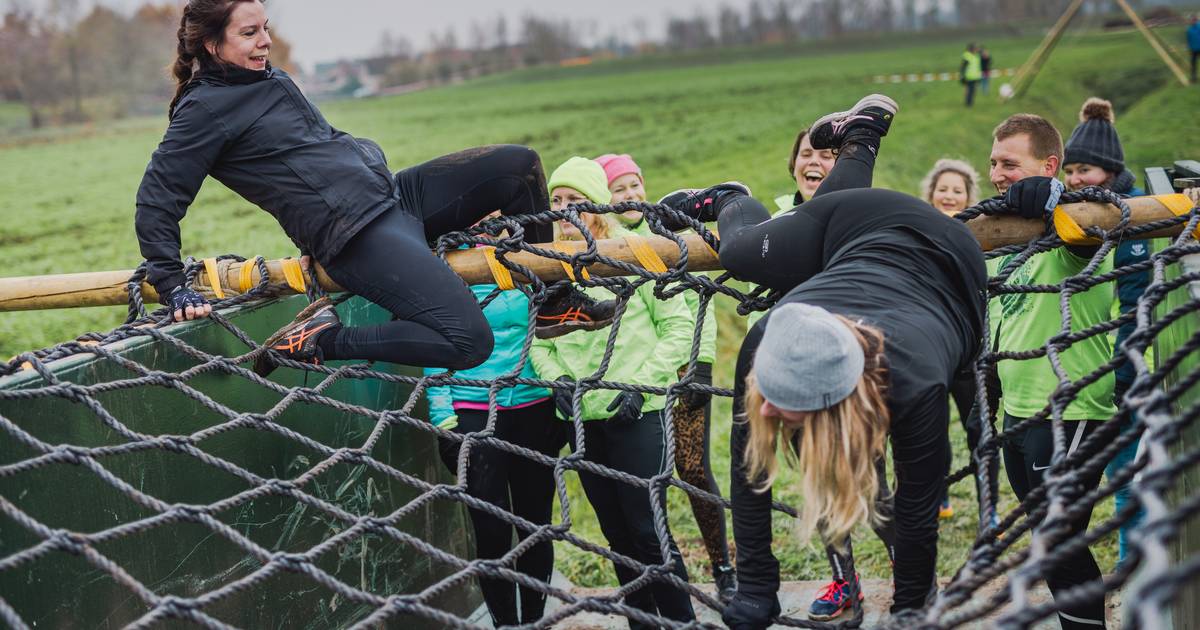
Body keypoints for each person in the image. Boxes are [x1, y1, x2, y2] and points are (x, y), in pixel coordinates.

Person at [134, 0, 614, 378]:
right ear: (213, 45)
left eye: (266, 27)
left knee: (520, 167)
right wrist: (171, 283)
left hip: (394, 198)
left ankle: (551, 302)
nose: (266, 42)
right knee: (470, 342)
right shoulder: (203, 110)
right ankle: (317, 342)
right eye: (249, 33)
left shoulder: (264, 77)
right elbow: (158, 197)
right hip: (356, 235)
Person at [668, 94, 988, 630]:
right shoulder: (775, 337)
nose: (762, 410)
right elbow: (750, 475)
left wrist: (910, 612)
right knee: (740, 254)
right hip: (845, 228)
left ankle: (857, 141)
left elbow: (918, 513)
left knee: (903, 499)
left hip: (946, 255)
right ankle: (736, 196)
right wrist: (756, 592)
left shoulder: (916, 384)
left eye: (778, 401)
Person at [530, 157, 697, 628]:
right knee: (615, 534)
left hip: (637, 410)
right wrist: (555, 379)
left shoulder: (632, 252)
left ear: (597, 204)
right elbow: (536, 338)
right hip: (584, 419)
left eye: (575, 201)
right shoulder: (545, 265)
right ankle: (641, 622)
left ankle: (682, 620)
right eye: (556, 201)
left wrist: (642, 387)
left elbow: (679, 324)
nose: (564, 210)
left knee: (647, 530)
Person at [988, 112, 1114, 629]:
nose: (997, 173)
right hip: (1019, 414)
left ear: (1050, 164)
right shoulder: (1003, 235)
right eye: (993, 162)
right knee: (1051, 546)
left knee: (1060, 548)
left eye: (1010, 164)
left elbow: (1085, 232)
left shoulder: (1079, 220)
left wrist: (1053, 194)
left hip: (1070, 409)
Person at [594, 152, 737, 602]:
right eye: (619, 189)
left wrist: (695, 361)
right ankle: (668, 571)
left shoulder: (668, 228)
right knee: (645, 482)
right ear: (604, 198)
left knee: (692, 468)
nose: (631, 195)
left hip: (687, 363)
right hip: (635, 372)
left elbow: (697, 301)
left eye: (635, 185)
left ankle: (724, 567)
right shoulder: (601, 242)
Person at [424, 212, 567, 626]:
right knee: (490, 529)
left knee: (534, 525)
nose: (487, 225)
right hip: (472, 408)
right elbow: (435, 344)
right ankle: (506, 624)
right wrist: (444, 421)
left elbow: (552, 333)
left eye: (495, 218)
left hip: (533, 405)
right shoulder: (444, 264)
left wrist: (559, 399)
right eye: (478, 217)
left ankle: (533, 622)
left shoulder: (529, 259)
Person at [1061, 97, 1149, 567]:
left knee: (1124, 474)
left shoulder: (1133, 221)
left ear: (1112, 171)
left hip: (1123, 373)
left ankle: (1129, 564)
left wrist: (1124, 372)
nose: (1076, 179)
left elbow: (1135, 305)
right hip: (1080, 371)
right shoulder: (1073, 217)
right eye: (1071, 170)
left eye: (1087, 170)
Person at [919, 158, 988, 522]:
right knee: (931, 428)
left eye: (956, 191)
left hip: (969, 347)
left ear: (968, 197)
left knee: (978, 427)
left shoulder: (984, 233)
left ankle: (987, 506)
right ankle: (939, 496)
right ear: (931, 194)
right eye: (942, 189)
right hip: (929, 346)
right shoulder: (918, 231)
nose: (948, 196)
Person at [773, 129, 837, 213]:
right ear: (794, 164)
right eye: (806, 155)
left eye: (825, 156)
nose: (813, 161)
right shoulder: (775, 220)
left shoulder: (855, 219)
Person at [1188, 14, 1200, 83]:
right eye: (1191, 20)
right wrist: (1189, 48)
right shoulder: (1189, 30)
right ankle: (1194, 78)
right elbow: (1189, 40)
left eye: (1193, 20)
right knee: (1193, 64)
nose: (1191, 21)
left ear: (1196, 20)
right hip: (1193, 50)